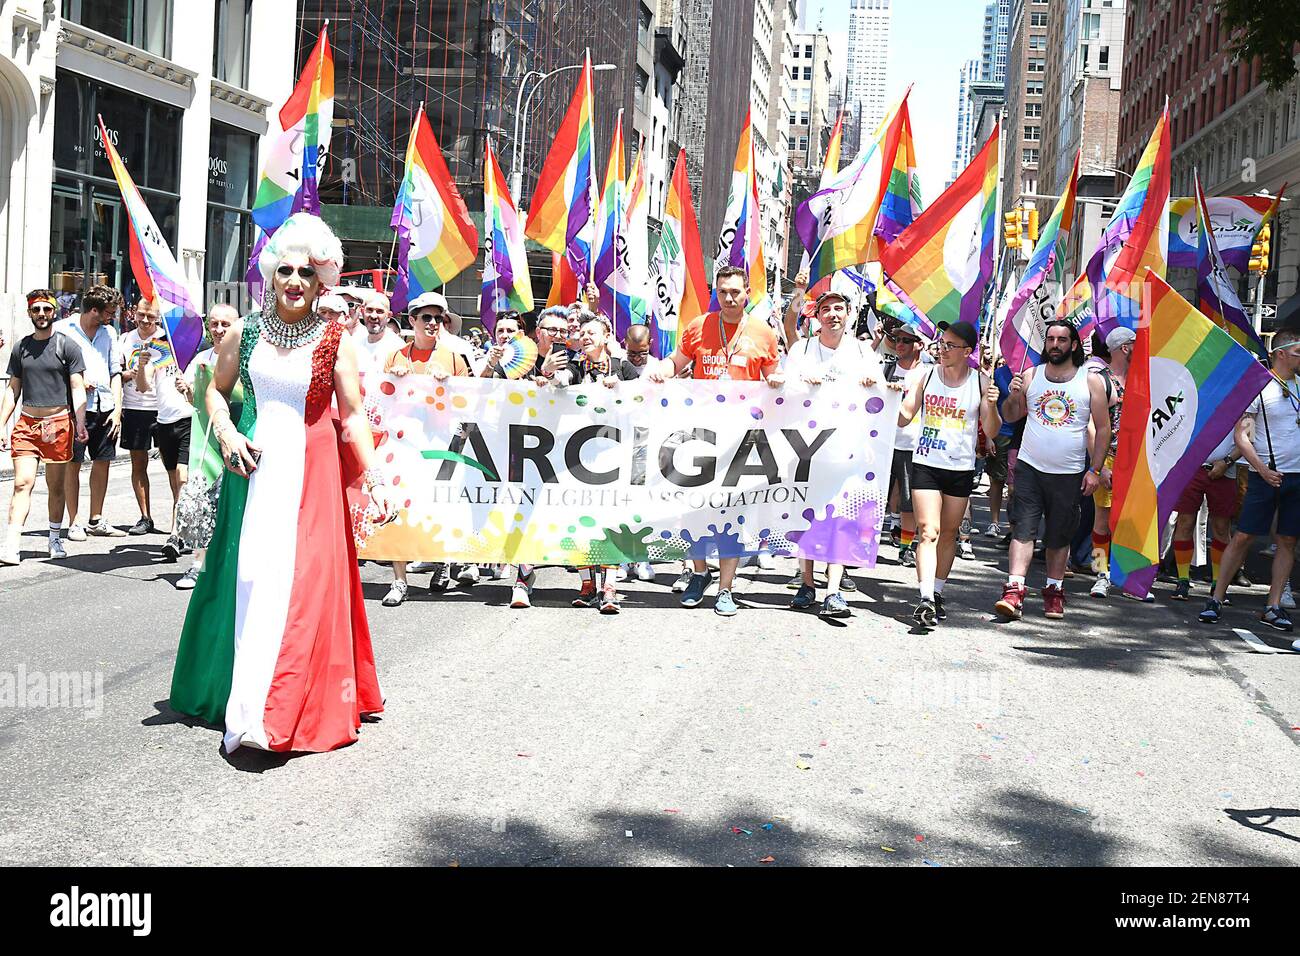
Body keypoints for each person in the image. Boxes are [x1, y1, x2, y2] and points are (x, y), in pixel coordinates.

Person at [169, 213, 392, 754]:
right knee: (249, 578)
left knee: (307, 581)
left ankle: (286, 706)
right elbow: (215, 391)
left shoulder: (335, 340)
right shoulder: (244, 333)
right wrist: (224, 431)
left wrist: (376, 476)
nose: (294, 281)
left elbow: (353, 415)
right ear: (272, 275)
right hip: (253, 468)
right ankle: (240, 689)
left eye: (306, 273)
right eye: (285, 270)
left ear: (321, 283)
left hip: (312, 472)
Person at [645, 265, 783, 617]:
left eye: (736, 291)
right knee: (694, 510)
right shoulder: (699, 326)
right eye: (723, 292)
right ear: (716, 292)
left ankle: (725, 589)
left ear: (747, 293)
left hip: (741, 439)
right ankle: (699, 574)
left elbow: (772, 376)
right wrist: (661, 369)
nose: (729, 298)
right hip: (700, 436)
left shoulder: (763, 334)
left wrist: (779, 381)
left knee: (731, 515)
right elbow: (676, 362)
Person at [994, 320, 1110, 620]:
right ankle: (1014, 589)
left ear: (1073, 345)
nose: (1054, 345)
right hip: (1030, 468)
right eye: (1050, 339)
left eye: (1061, 339)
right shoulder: (1031, 375)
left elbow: (1103, 428)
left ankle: (1054, 591)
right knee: (1023, 530)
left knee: (1059, 537)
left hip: (1070, 473)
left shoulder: (1090, 381)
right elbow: (1011, 415)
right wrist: (1014, 394)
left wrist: (1094, 470)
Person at [784, 289, 883, 617]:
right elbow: (784, 390)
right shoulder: (802, 349)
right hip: (807, 450)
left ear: (849, 313)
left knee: (842, 518)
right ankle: (807, 582)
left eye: (839, 308)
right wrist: (802, 383)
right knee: (806, 516)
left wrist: (875, 385)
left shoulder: (862, 352)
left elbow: (880, 396)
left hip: (848, 450)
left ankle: (834, 590)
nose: (833, 315)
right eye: (826, 309)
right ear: (817, 316)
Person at [896, 320, 1000, 627]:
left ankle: (938, 591)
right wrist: (888, 397)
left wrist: (992, 406)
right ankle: (925, 597)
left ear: (967, 352)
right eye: (941, 343)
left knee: (950, 534)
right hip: (926, 463)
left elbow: (991, 430)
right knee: (928, 530)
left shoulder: (980, 382)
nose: (942, 349)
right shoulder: (925, 375)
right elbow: (904, 418)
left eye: (950, 345)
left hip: (960, 467)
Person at [1200, 328, 1300, 636]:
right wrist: (1262, 469)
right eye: (1298, 352)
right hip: (1263, 475)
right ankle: (1216, 597)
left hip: (1296, 476)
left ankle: (1273, 605)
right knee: (1243, 537)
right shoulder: (1260, 386)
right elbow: (1241, 437)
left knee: (1287, 541)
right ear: (1281, 353)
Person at [380, 291, 475, 607]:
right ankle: (399, 580)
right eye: (427, 317)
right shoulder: (396, 357)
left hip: (439, 444)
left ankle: (443, 563)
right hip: (403, 444)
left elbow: (470, 403)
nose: (434, 323)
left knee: (440, 506)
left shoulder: (453, 358)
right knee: (398, 509)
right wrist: (392, 379)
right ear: (412, 321)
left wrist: (450, 386)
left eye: (439, 318)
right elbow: (381, 399)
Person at [549, 313, 641, 613]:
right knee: (579, 521)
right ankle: (587, 584)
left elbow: (644, 398)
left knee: (611, 521)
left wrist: (624, 389)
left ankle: (610, 587)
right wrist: (549, 371)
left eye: (592, 332)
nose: (585, 336)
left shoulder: (623, 367)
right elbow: (562, 382)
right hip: (576, 457)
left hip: (614, 456)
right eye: (582, 332)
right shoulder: (575, 367)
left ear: (606, 336)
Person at [0, 290, 90, 564]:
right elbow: (13, 389)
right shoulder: (21, 348)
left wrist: (81, 422)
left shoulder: (67, 346)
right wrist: (2, 424)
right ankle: (12, 544)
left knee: (56, 487)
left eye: (46, 309)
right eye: (36, 309)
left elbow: (77, 387)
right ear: (30, 313)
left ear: (54, 312)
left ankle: (54, 537)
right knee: (21, 483)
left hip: (58, 425)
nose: (41, 314)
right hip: (27, 424)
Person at [172, 304, 241, 590]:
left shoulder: (246, 357)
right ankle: (198, 566)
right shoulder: (201, 358)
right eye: (214, 324)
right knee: (202, 503)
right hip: (207, 441)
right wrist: (187, 389)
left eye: (226, 324)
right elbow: (195, 400)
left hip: (241, 437)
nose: (219, 329)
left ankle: (231, 565)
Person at [58, 285, 125, 540]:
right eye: (109, 312)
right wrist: (75, 380)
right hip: (74, 407)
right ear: (94, 310)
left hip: (104, 405)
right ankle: (73, 522)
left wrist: (118, 409)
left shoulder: (109, 333)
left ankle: (96, 518)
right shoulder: (64, 329)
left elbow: (115, 372)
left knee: (103, 461)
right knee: (72, 463)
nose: (112, 317)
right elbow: (55, 369)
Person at [1088, 326, 1135, 600]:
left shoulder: (1142, 379)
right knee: (1102, 520)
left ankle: (1128, 576)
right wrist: (1098, 466)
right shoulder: (1100, 380)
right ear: (1124, 348)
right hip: (1108, 458)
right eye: (1135, 344)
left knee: (1131, 521)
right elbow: (1090, 427)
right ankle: (1100, 574)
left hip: (1135, 461)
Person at [1170, 426, 1240, 602]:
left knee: (1222, 528)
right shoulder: (1193, 397)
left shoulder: (1240, 401)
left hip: (1226, 470)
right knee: (1185, 522)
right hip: (1190, 468)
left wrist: (1227, 462)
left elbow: (1249, 438)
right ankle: (1183, 580)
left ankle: (1219, 583)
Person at [119, 298, 170, 535]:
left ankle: (177, 522)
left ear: (159, 317)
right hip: (134, 408)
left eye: (151, 316)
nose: (145, 320)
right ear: (134, 314)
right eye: (141, 315)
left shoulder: (167, 339)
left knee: (174, 468)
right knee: (138, 463)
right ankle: (145, 517)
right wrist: (128, 373)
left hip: (164, 409)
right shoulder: (126, 339)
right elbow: (116, 373)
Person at [883, 324, 927, 568]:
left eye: (906, 340)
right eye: (896, 339)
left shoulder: (928, 373)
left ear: (919, 344)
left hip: (913, 444)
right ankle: (863, 545)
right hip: (883, 443)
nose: (900, 344)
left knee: (909, 502)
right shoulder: (885, 369)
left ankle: (905, 548)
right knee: (875, 497)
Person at [352, 290, 404, 373]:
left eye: (380, 311)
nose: (373, 316)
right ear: (362, 312)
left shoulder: (398, 347)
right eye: (369, 310)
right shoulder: (354, 341)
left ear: (389, 316)